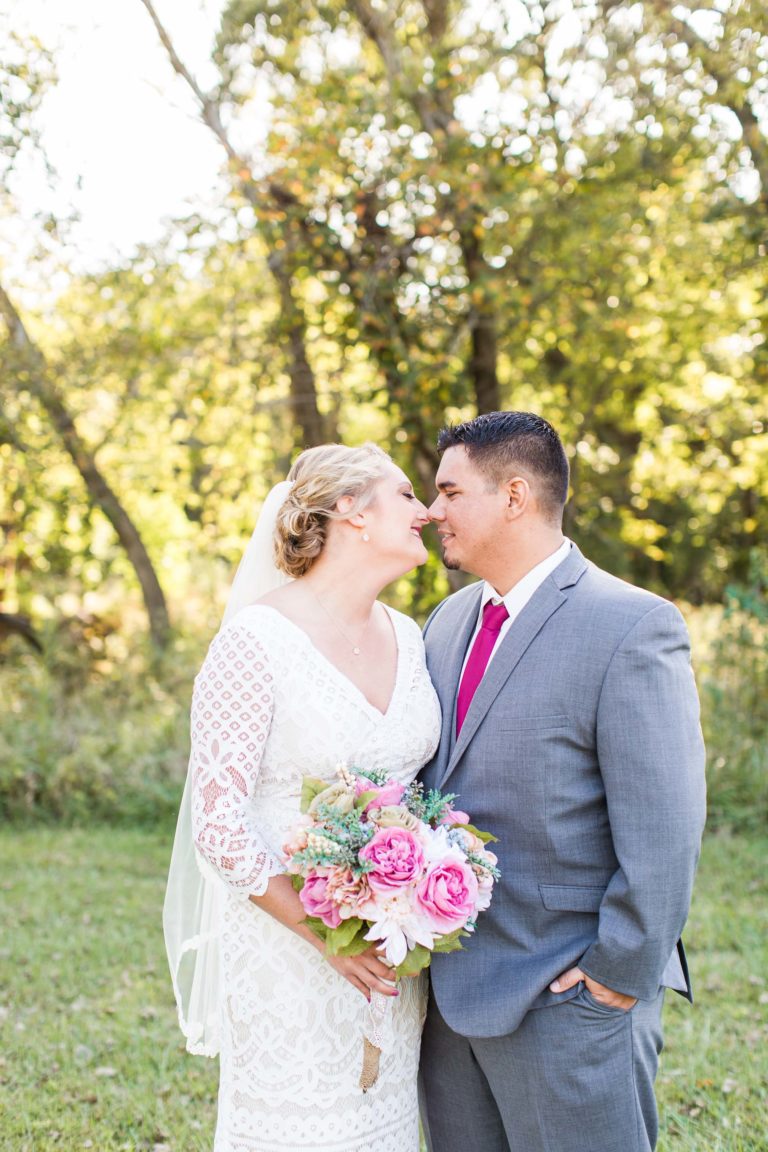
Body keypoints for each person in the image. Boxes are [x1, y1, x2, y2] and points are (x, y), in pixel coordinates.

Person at [418, 411, 706, 1152]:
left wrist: (617, 973)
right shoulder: (445, 622)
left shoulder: (631, 625)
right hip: (448, 1003)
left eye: (450, 493)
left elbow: (665, 824)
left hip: (570, 998)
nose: (432, 511)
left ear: (514, 496)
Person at [163, 443, 441, 1152]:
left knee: (379, 1126)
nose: (428, 512)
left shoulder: (410, 638)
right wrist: (328, 939)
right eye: (407, 495)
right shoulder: (254, 644)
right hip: (289, 946)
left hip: (389, 948)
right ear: (350, 509)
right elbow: (218, 826)